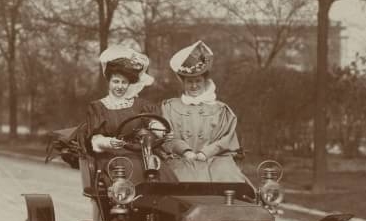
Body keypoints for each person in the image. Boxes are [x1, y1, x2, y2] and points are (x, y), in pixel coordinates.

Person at [160, 40, 249, 184]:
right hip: (181, 160)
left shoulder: (220, 109)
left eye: (198, 81)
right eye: (189, 81)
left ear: (205, 81)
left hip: (216, 160)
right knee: (180, 186)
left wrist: (206, 153)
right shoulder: (170, 107)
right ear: (183, 82)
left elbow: (227, 138)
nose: (194, 86)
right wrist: (185, 150)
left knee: (231, 183)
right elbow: (167, 137)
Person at [83, 44, 161, 185]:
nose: (120, 86)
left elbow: (152, 122)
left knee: (159, 176)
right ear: (109, 82)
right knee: (126, 175)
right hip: (112, 156)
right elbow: (95, 139)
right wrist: (109, 143)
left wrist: (159, 130)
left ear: (129, 84)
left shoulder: (140, 105)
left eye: (124, 82)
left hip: (141, 155)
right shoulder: (98, 107)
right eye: (116, 81)